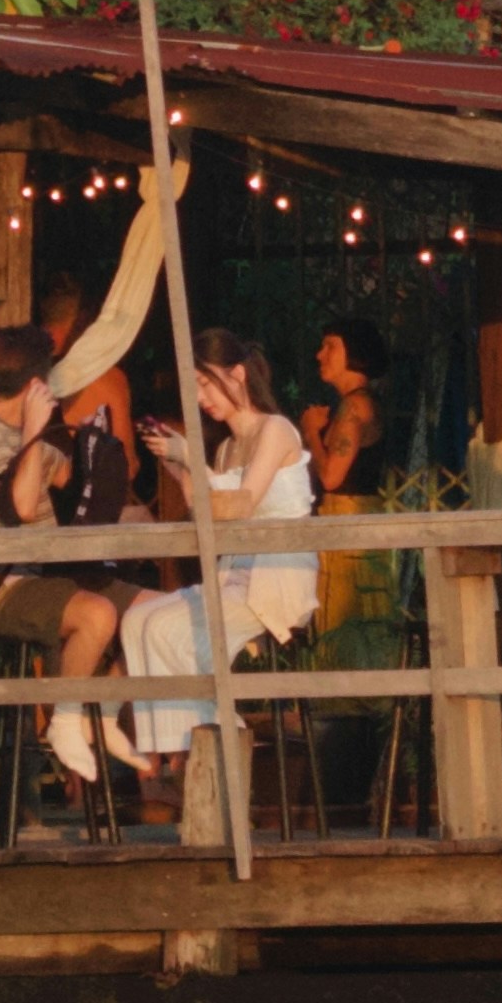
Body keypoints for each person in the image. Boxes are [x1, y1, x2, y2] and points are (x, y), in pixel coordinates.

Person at [116, 328, 318, 772]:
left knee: (172, 632)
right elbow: (206, 511)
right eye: (194, 389)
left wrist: (191, 457)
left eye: (206, 384)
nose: (202, 398)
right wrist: (178, 465)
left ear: (238, 374)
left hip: (276, 576)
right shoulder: (225, 448)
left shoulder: (276, 429)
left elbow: (243, 502)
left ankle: (211, 745)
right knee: (137, 620)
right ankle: (179, 748)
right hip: (233, 574)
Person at [0, 322, 135, 785]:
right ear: (36, 386)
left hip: (49, 578)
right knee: (97, 616)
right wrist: (33, 432)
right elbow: (25, 506)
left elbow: (70, 478)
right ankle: (65, 720)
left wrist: (95, 444)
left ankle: (104, 718)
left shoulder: (22, 437)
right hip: (1, 591)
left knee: (155, 613)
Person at [39, 268, 136, 477]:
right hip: (88, 504)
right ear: (84, 319)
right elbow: (127, 467)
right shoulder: (108, 378)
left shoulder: (23, 372)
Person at [300, 317, 389, 498]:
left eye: (330, 347)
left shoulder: (354, 405)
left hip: (349, 519)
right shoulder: (352, 402)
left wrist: (311, 432)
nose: (320, 355)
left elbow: (330, 478)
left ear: (354, 350)